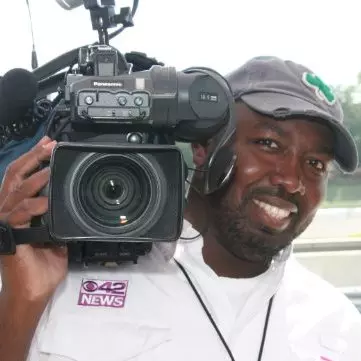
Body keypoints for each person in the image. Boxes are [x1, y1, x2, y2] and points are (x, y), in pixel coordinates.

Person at [0, 56, 361, 361]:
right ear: (204, 146)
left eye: (315, 165)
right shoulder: (62, 282)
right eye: (268, 143)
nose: (292, 180)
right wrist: (21, 300)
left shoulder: (337, 324)